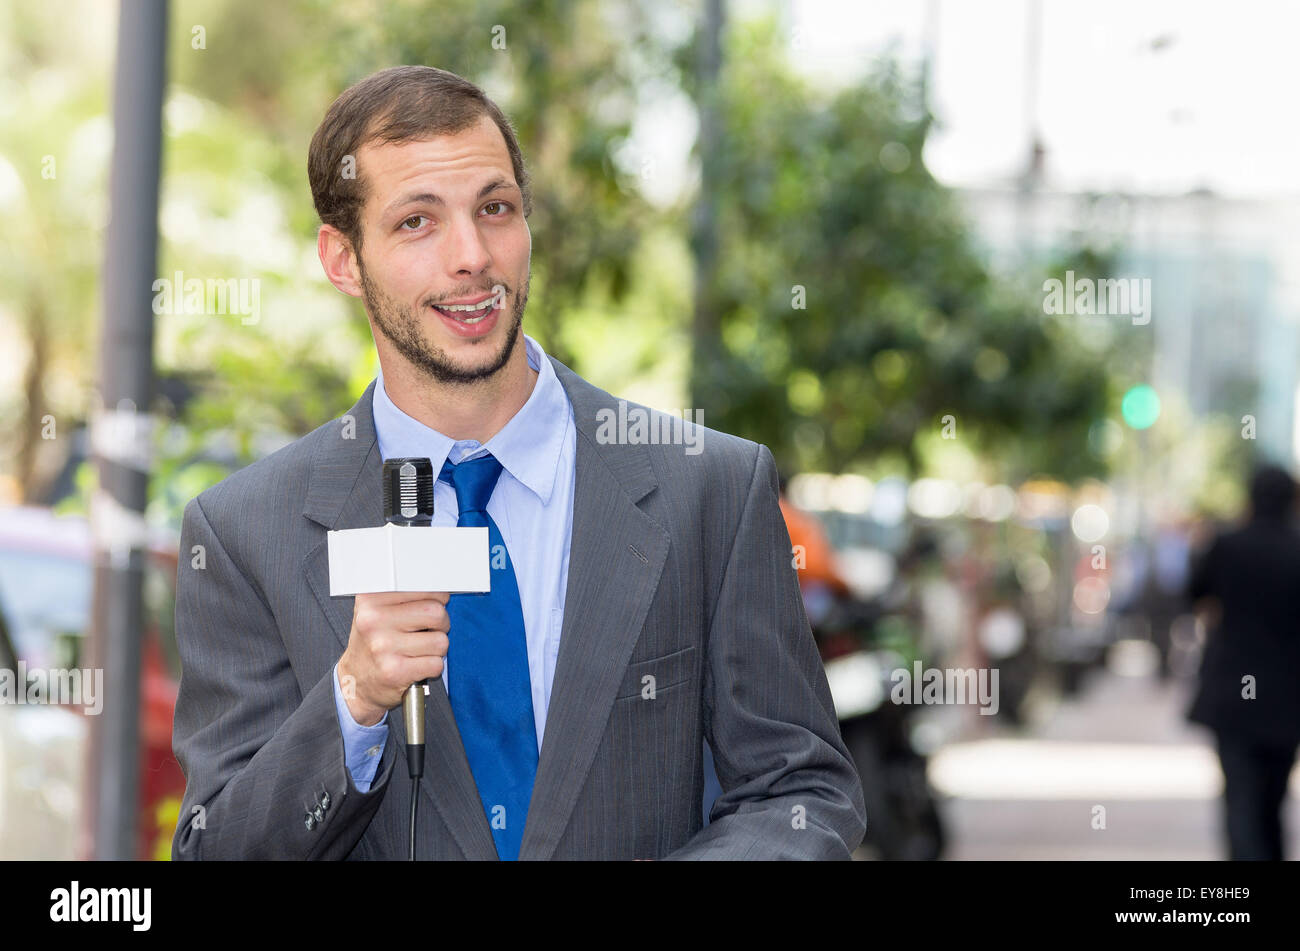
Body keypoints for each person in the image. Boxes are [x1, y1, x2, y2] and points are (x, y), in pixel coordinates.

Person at [169, 66, 865, 860]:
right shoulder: (241, 533)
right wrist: (355, 699)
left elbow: (800, 791)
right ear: (343, 260)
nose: (472, 256)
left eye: (494, 209)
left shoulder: (707, 489)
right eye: (416, 223)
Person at [1186, 463, 1300, 860]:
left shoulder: (1227, 544)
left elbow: (1194, 594)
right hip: (1287, 698)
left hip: (1233, 692)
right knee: (1274, 798)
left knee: (1241, 798)